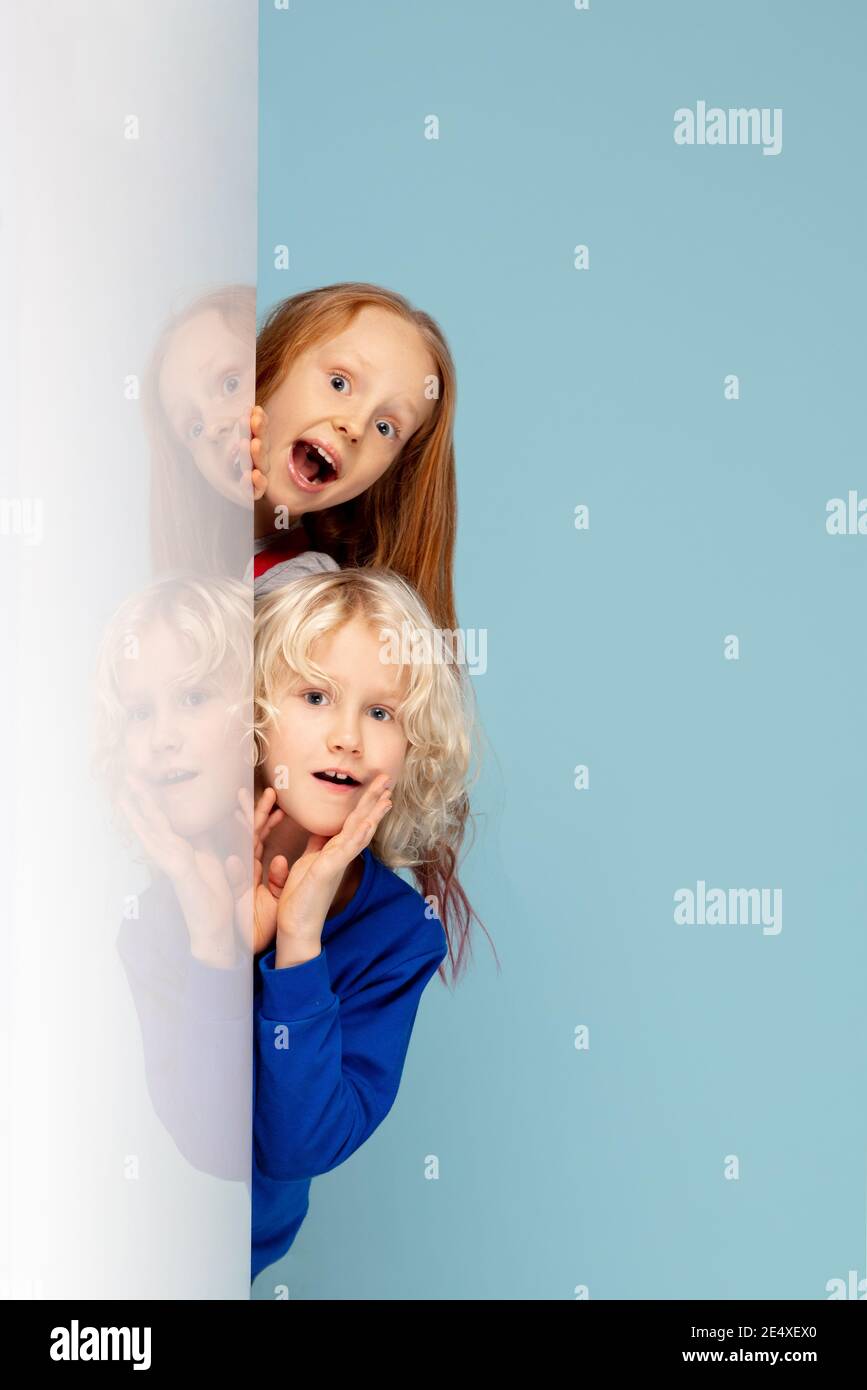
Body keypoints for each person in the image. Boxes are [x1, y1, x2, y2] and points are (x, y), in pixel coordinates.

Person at [248, 567, 494, 1283]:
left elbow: (299, 1146)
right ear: (256, 712)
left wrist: (298, 943)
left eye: (381, 714)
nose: (347, 737)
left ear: (415, 745)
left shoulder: (399, 933)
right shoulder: (186, 852)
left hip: (221, 1253)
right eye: (316, 696)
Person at [249, 283, 460, 630]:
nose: (355, 426)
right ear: (270, 368)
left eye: (385, 427)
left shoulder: (306, 599)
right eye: (339, 383)